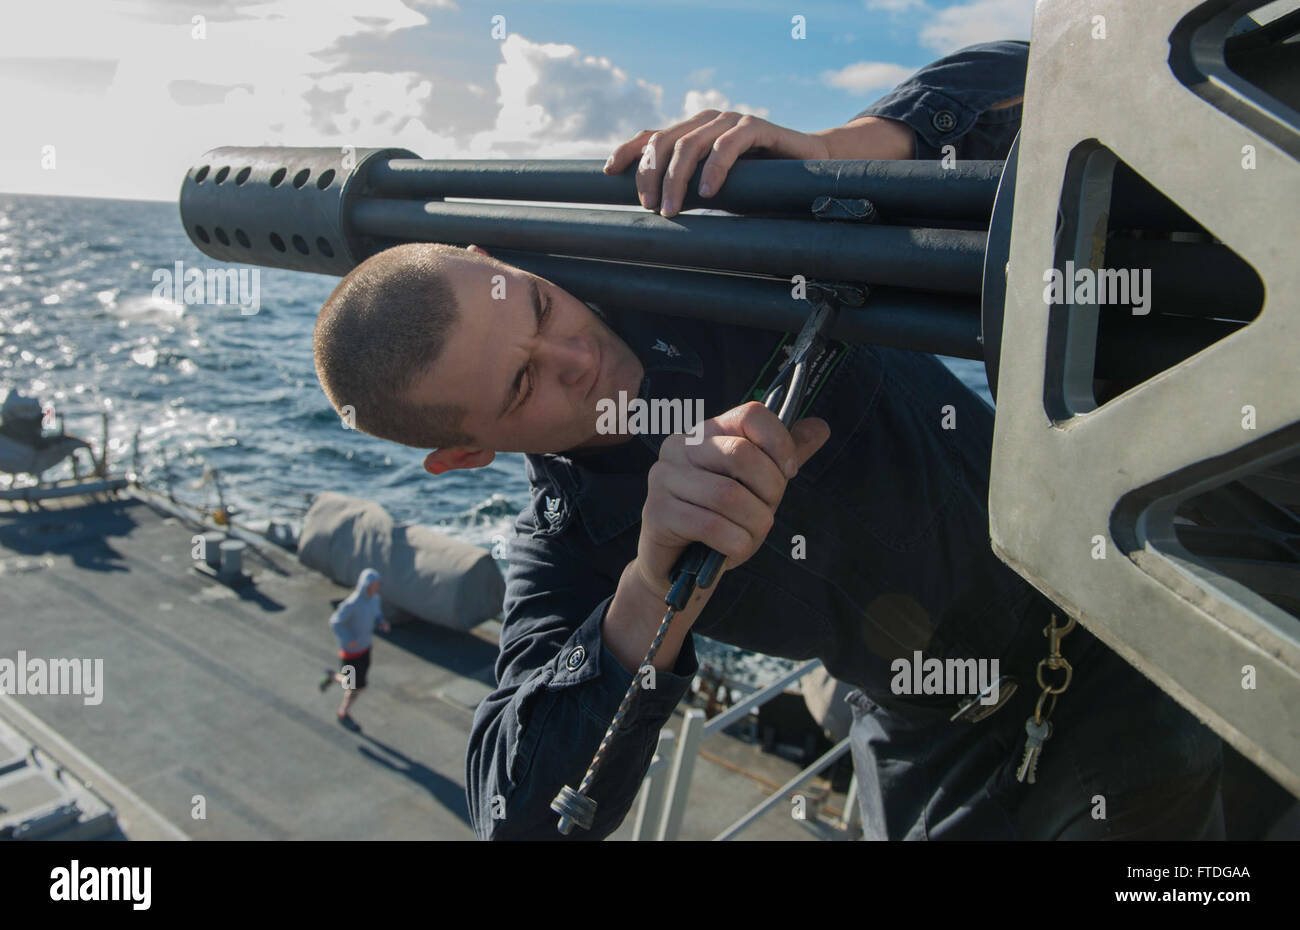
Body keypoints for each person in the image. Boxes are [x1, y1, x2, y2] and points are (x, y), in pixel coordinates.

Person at [311, 40, 1225, 839]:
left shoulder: (716, 247)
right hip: (935, 729)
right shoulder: (576, 541)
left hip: (1121, 597)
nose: (575, 353)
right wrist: (650, 588)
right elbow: (513, 812)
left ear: (494, 263)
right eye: (522, 385)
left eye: (538, 305)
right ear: (467, 455)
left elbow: (1050, 72)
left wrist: (842, 157)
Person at [320, 567, 391, 730]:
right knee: (353, 687)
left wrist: (381, 622)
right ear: (366, 585)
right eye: (375, 584)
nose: (377, 587)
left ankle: (333, 677)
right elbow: (335, 622)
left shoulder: (375, 599)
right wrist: (348, 638)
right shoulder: (351, 604)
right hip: (350, 653)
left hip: (365, 649)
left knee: (359, 685)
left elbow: (377, 614)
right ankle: (343, 713)